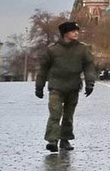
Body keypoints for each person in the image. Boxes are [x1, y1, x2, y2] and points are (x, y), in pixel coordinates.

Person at [36, 20, 95, 152]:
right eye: (73, 31)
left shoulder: (82, 49)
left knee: (68, 115)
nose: (76, 33)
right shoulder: (52, 50)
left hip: (73, 86)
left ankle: (65, 139)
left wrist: (90, 82)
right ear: (65, 33)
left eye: (77, 31)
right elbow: (43, 69)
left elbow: (89, 66)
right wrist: (39, 87)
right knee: (55, 113)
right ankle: (52, 140)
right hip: (56, 86)